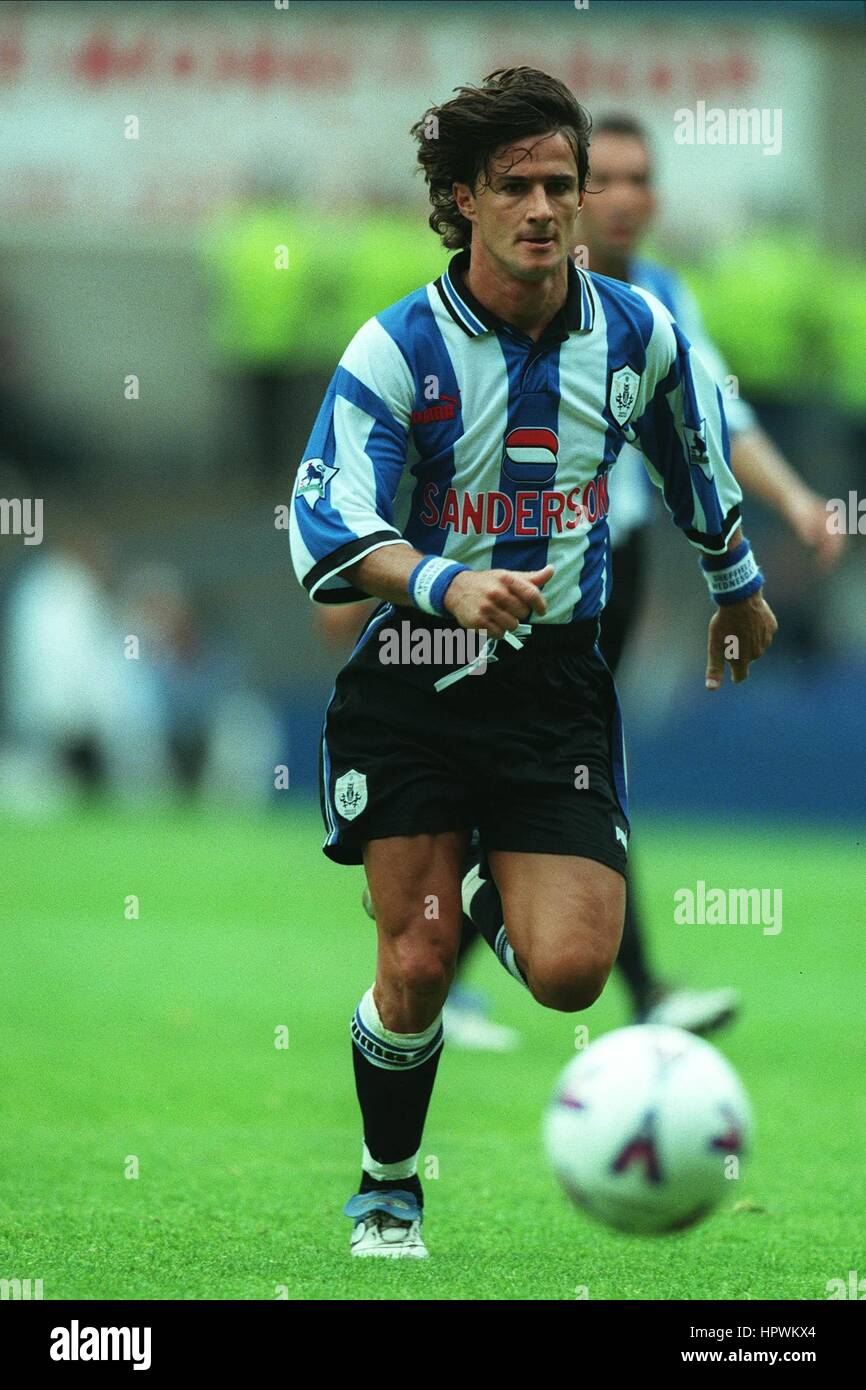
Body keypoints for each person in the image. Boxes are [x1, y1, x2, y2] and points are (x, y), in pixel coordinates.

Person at [289, 67, 777, 1259]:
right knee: (409, 961)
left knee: (567, 974)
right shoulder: (397, 346)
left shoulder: (633, 329)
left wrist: (735, 582)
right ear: (462, 201)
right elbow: (324, 515)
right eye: (517, 187)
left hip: (553, 683)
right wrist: (438, 579)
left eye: (562, 183)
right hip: (414, 668)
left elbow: (688, 454)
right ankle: (388, 1186)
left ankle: (482, 890)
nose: (548, 207)